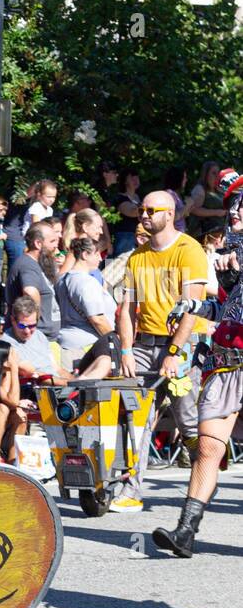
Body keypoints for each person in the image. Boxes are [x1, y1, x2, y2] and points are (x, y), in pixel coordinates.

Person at [153, 172, 243, 557]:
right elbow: (229, 309)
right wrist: (195, 306)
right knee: (207, 447)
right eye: (232, 204)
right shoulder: (231, 253)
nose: (235, 210)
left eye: (241, 203)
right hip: (228, 361)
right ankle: (186, 532)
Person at [113, 190, 208, 511]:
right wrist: (126, 349)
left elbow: (191, 309)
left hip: (183, 347)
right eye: (141, 210)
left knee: (188, 421)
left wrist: (173, 352)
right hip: (144, 346)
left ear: (170, 214)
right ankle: (131, 490)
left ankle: (203, 480)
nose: (143, 215)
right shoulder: (137, 257)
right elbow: (127, 308)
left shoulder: (189, 250)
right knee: (136, 418)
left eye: (151, 210)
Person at [55, 237, 116, 360]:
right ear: (85, 255)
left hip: (67, 343)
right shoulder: (86, 282)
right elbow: (97, 319)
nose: (100, 258)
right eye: (97, 254)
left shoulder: (61, 280)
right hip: (87, 349)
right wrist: (114, 342)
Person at [6, 222, 61, 340]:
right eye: (52, 241)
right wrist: (34, 323)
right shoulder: (28, 265)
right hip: (34, 339)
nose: (56, 246)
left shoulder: (36, 264)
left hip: (42, 338)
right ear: (38, 244)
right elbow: (30, 292)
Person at [101, 163, 141, 257]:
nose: (135, 180)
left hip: (138, 237)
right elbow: (132, 212)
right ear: (125, 181)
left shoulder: (138, 197)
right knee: (121, 268)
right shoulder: (120, 198)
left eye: (137, 177)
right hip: (125, 238)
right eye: (132, 178)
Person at [187, 160, 224, 236]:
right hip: (204, 234)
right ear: (206, 174)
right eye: (213, 173)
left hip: (218, 233)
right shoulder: (200, 189)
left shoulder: (218, 189)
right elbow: (193, 209)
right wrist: (217, 212)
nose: (217, 176)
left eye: (218, 173)